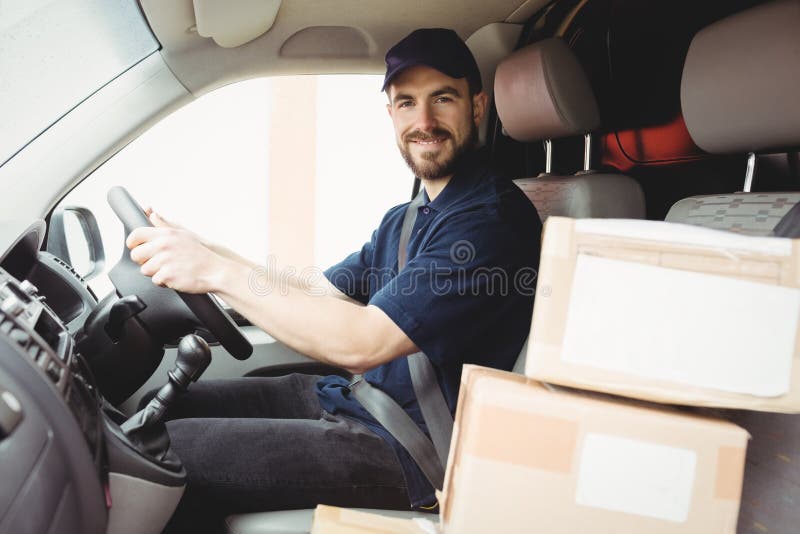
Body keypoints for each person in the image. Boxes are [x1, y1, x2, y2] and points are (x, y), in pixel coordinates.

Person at [126, 28, 542, 530]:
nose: (424, 121)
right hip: (355, 400)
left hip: (409, 448)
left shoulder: (488, 222)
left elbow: (362, 341)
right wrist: (209, 250)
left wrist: (214, 271)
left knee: (161, 449)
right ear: (391, 114)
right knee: (162, 409)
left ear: (477, 107)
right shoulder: (406, 217)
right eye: (407, 103)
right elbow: (319, 292)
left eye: (443, 99)